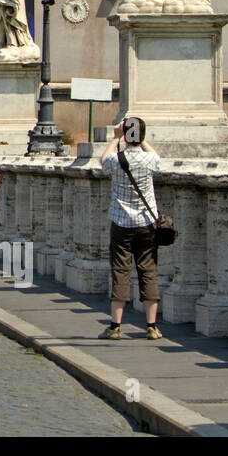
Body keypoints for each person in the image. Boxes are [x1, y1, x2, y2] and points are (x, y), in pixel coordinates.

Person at [99, 118, 163, 340]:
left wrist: (116, 137)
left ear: (126, 136)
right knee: (147, 270)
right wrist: (142, 140)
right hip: (146, 223)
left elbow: (103, 159)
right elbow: (158, 160)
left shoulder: (116, 160)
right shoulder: (148, 160)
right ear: (141, 135)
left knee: (120, 271)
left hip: (121, 223)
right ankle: (152, 326)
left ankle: (115, 326)